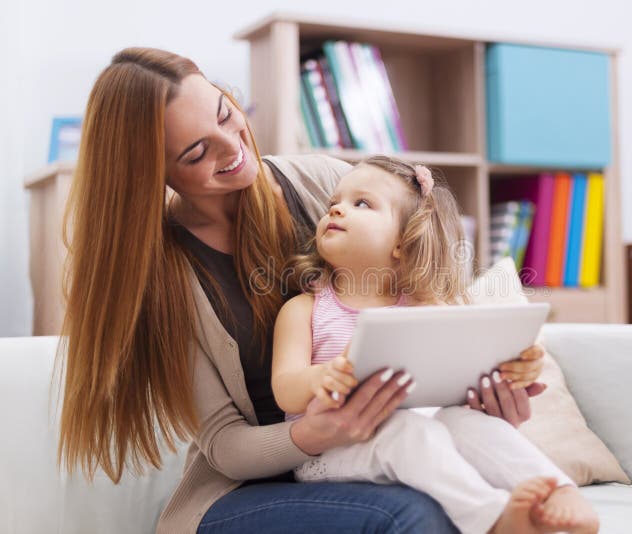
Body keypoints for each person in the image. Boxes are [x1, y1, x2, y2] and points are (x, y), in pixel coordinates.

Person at [55, 47, 551, 534]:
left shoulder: (331, 186)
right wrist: (317, 433)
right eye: (197, 152)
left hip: (380, 448)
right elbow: (225, 446)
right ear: (152, 176)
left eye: (226, 115)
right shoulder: (163, 274)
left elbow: (430, 311)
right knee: (414, 513)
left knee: (460, 488)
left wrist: (488, 389)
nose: (232, 148)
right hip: (245, 493)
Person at [271, 156, 600, 534]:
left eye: (361, 203)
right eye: (334, 203)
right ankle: (492, 519)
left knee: (464, 421)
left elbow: (470, 369)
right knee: (409, 429)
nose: (337, 209)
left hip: (416, 438)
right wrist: (321, 378)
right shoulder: (305, 309)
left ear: (401, 243)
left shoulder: (426, 308)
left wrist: (519, 366)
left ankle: (560, 490)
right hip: (328, 455)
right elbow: (285, 390)